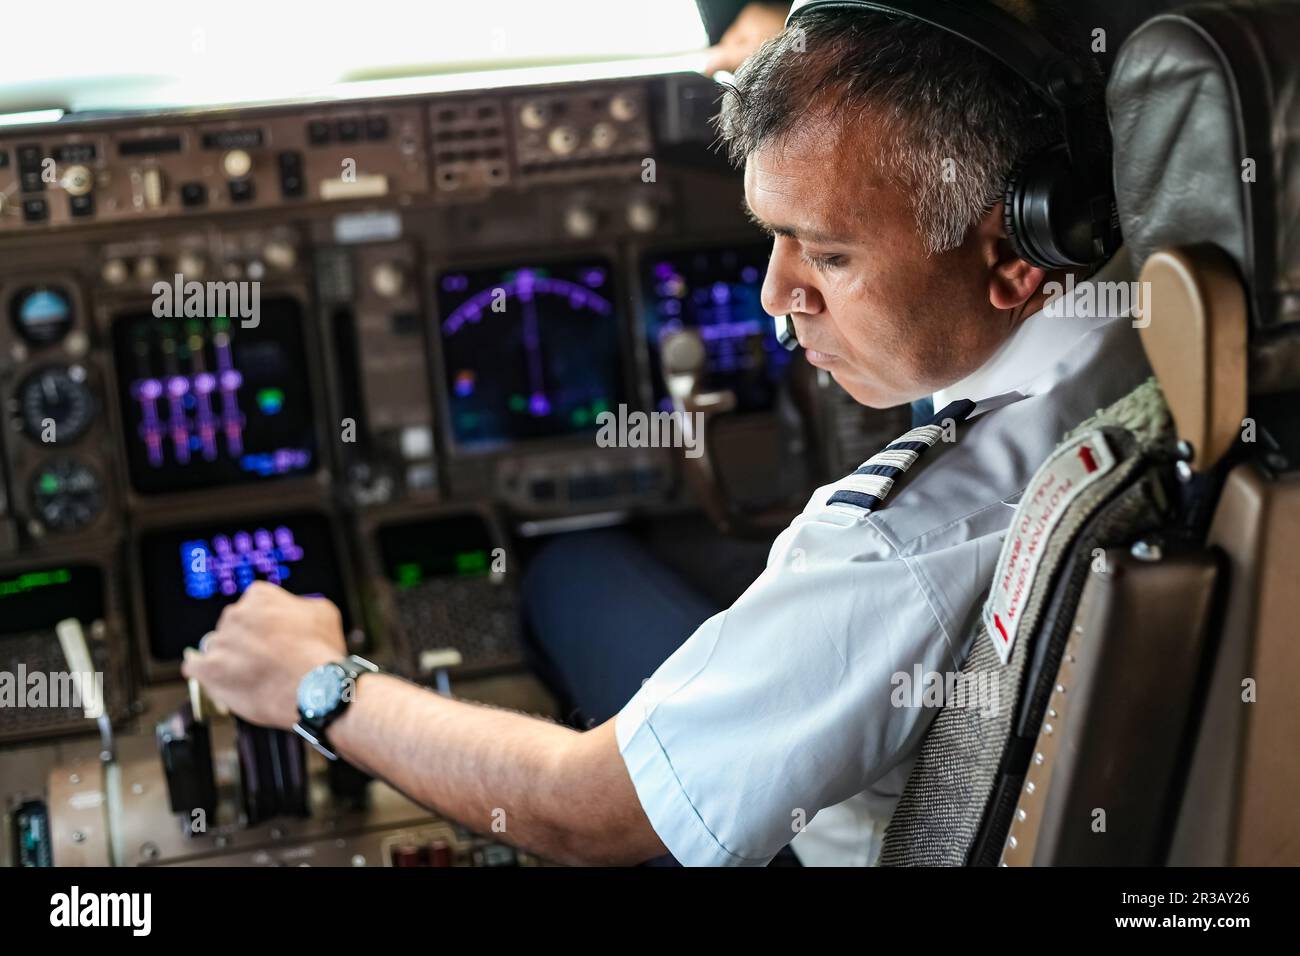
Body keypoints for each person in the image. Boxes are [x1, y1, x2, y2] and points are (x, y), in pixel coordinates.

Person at [183, 1, 1153, 866]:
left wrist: (318, 684)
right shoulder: (1152, 330)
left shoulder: (900, 543)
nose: (776, 296)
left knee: (569, 569)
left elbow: (581, 809)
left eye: (829, 254)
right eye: (771, 236)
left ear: (1014, 259)